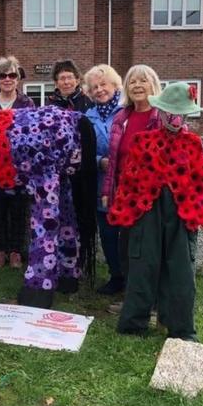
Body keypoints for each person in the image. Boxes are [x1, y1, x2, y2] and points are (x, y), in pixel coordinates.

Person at [108, 82, 203, 341]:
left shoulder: (193, 145)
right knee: (143, 264)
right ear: (161, 112)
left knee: (180, 270)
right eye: (169, 112)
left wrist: (195, 210)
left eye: (179, 113)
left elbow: (202, 181)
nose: (174, 119)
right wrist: (130, 208)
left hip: (181, 213)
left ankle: (180, 327)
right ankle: (134, 322)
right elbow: (129, 179)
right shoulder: (144, 142)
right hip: (147, 211)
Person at [101, 65, 163, 292]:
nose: (137, 86)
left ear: (153, 85)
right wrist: (108, 192)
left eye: (143, 81)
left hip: (150, 195)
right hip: (124, 194)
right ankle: (131, 297)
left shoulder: (162, 117)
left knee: (147, 249)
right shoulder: (122, 117)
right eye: (133, 82)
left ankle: (149, 300)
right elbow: (113, 161)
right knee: (126, 247)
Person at [0, 56, 34, 269]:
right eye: (3, 75)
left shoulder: (27, 103)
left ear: (18, 79)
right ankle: (1, 251)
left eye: (12, 75)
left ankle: (16, 252)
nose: (8, 79)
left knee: (19, 210)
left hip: (19, 166)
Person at [83, 64, 125, 295]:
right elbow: (84, 150)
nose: (99, 90)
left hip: (127, 184)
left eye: (103, 85)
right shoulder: (87, 116)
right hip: (102, 184)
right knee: (108, 233)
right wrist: (100, 160)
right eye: (94, 87)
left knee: (127, 234)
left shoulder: (127, 110)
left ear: (115, 85)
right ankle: (116, 275)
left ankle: (133, 277)